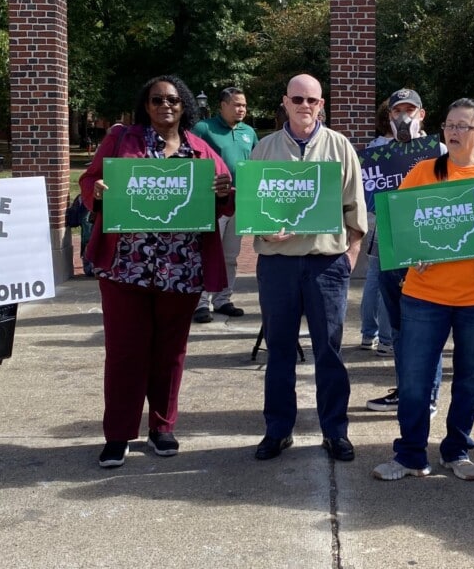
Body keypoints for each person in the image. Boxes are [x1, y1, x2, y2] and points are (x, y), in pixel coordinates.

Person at [80, 74, 234, 468]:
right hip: (125, 269)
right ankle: (118, 435)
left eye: (173, 100)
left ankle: (162, 428)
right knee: (124, 353)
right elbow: (90, 180)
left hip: (181, 270)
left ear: (184, 106)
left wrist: (223, 193)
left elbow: (227, 197)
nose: (165, 106)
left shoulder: (200, 150)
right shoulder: (121, 141)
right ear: (145, 106)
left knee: (170, 353)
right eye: (156, 100)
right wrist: (96, 191)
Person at [373, 98, 474, 482]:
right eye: (449, 125)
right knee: (414, 378)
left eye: (463, 126)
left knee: (471, 378)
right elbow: (399, 223)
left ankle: (457, 450)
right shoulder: (423, 172)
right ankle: (409, 454)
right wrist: (410, 253)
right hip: (426, 295)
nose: (454, 132)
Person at [251, 74, 367, 462]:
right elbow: (253, 210)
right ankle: (277, 430)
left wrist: (349, 256)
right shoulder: (264, 149)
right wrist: (267, 234)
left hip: (326, 264)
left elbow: (355, 208)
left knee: (329, 352)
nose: (305, 105)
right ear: (284, 102)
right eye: (297, 98)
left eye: (312, 100)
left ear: (321, 105)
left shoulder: (339, 146)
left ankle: (335, 431)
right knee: (280, 350)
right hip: (279, 266)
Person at [365, 88, 444, 417]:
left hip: (429, 249)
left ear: (422, 115)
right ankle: (406, 388)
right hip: (389, 245)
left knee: (428, 323)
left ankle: (429, 394)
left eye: (410, 109)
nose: (404, 116)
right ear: (390, 115)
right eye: (398, 110)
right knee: (397, 324)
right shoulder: (376, 151)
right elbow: (367, 198)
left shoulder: (438, 150)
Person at [192, 86, 258, 323]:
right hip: (212, 203)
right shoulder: (203, 129)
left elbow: (255, 163)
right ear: (222, 105)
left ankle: (223, 299)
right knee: (206, 253)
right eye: (237, 104)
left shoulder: (248, 132)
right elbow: (191, 160)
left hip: (240, 202)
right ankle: (200, 303)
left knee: (231, 254)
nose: (241, 109)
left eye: (244, 105)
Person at [360, 101, 394, 351]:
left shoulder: (372, 148)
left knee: (374, 276)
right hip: (394, 219)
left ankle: (367, 333)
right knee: (388, 280)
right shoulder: (402, 150)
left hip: (374, 217)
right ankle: (385, 338)